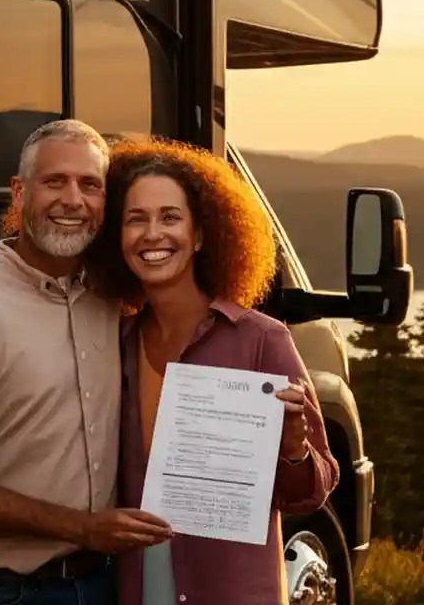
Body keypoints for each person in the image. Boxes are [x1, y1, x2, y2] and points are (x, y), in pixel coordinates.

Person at [0, 119, 173, 605]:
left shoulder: (111, 299)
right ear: (19, 192)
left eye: (90, 185)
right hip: (3, 591)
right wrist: (82, 528)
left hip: (104, 583)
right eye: (54, 182)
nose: (73, 200)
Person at [81, 137, 340, 605]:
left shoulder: (262, 340)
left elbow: (311, 493)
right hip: (138, 584)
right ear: (117, 238)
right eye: (136, 219)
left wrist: (294, 450)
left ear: (200, 236)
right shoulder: (113, 343)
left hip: (231, 589)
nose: (152, 234)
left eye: (170, 217)